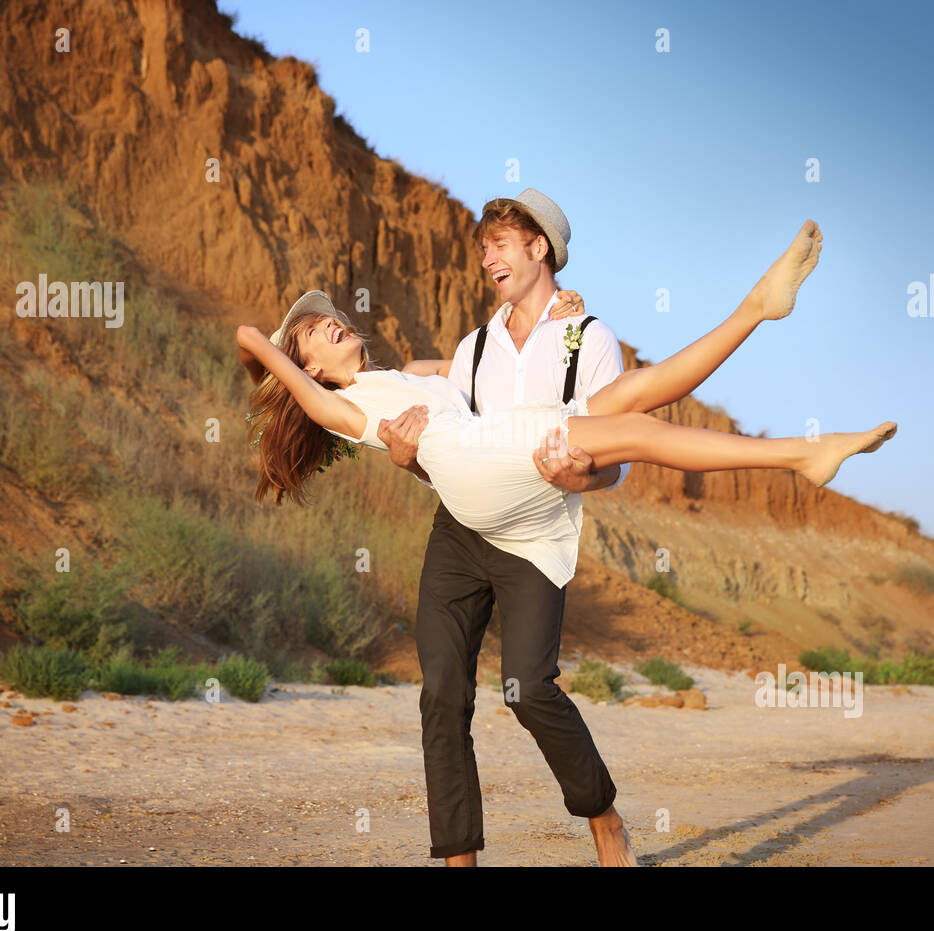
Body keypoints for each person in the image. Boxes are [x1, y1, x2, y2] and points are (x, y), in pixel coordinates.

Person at [236, 213, 898, 864]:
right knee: (442, 691)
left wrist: (559, 322)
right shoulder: (343, 406)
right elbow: (274, 365)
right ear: (310, 368)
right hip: (469, 496)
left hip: (505, 468)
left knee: (623, 409)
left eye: (322, 317)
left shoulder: (414, 369)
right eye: (307, 333)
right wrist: (266, 348)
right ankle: (782, 398)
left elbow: (488, 374)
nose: (325, 322)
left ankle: (765, 334)